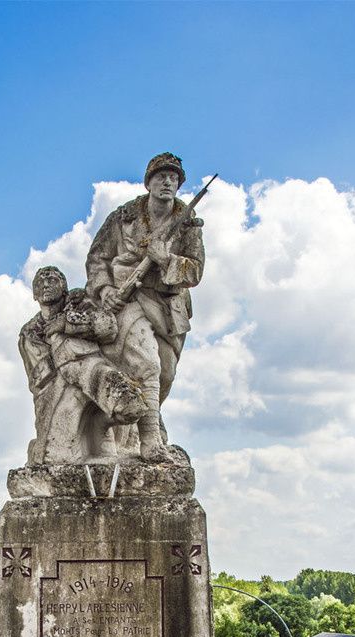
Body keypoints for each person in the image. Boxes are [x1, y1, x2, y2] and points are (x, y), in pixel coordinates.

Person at [86, 152, 205, 463]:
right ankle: (151, 443)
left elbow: (195, 272)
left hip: (168, 307)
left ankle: (121, 426)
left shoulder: (188, 224)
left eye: (173, 177)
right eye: (161, 176)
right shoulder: (123, 217)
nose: (167, 181)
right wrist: (105, 289)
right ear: (149, 182)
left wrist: (166, 259)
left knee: (164, 376)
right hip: (130, 300)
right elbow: (97, 259)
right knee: (147, 366)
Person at [18, 266, 144, 464]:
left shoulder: (80, 305)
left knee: (131, 405)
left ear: (64, 287)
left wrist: (68, 324)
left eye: (52, 280)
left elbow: (108, 327)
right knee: (57, 458)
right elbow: (38, 379)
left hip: (91, 368)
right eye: (39, 283)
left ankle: (99, 424)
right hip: (57, 392)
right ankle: (86, 431)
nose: (45, 285)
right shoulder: (29, 333)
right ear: (34, 294)